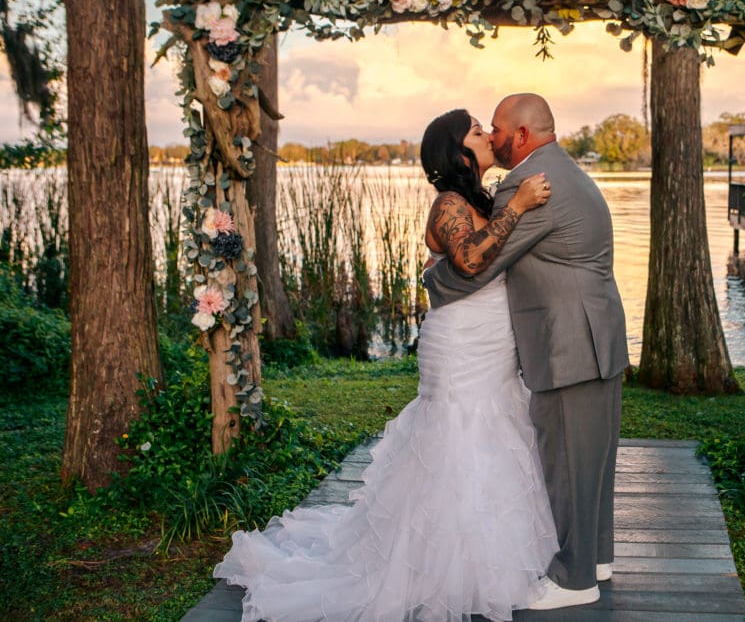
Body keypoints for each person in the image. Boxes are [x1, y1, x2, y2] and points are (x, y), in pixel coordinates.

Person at [213, 108, 559, 622]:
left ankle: (486, 560)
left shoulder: (480, 199)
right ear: (458, 151)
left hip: (490, 342)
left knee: (495, 432)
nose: (488, 136)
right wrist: (521, 206)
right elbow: (468, 259)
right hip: (461, 345)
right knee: (458, 436)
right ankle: (435, 566)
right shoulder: (449, 202)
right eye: (478, 132)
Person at [422, 93, 629, 611]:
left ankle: (574, 579)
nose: (490, 136)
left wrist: (434, 279)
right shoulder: (564, 171)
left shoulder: (529, 184)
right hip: (594, 334)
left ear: (520, 136)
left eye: (493, 128)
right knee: (591, 459)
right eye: (478, 131)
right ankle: (596, 559)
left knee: (570, 462)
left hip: (570, 341)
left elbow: (483, 265)